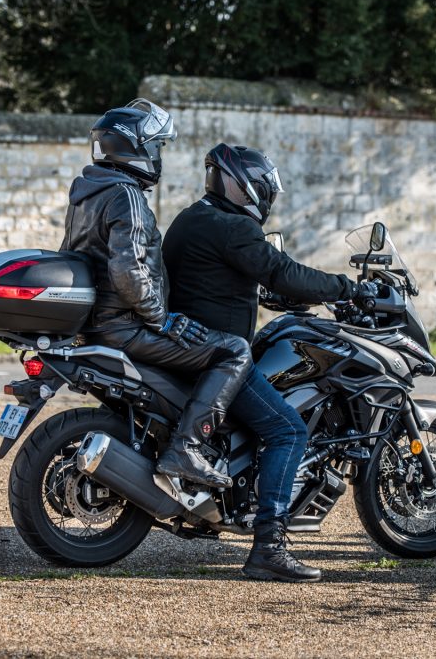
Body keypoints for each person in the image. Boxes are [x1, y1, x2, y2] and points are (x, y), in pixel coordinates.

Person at [162, 143, 378, 582]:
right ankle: (269, 546)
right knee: (287, 429)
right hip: (216, 358)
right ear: (245, 187)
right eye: (263, 189)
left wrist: (273, 295)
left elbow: (222, 280)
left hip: (185, 347)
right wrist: (346, 288)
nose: (267, 197)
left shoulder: (193, 218)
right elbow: (283, 271)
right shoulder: (234, 228)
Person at [61, 102, 251, 489]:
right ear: (135, 148)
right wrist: (162, 319)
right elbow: (129, 271)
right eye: (156, 146)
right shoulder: (125, 196)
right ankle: (188, 448)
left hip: (98, 325)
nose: (157, 155)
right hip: (127, 327)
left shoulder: (86, 193)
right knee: (234, 350)